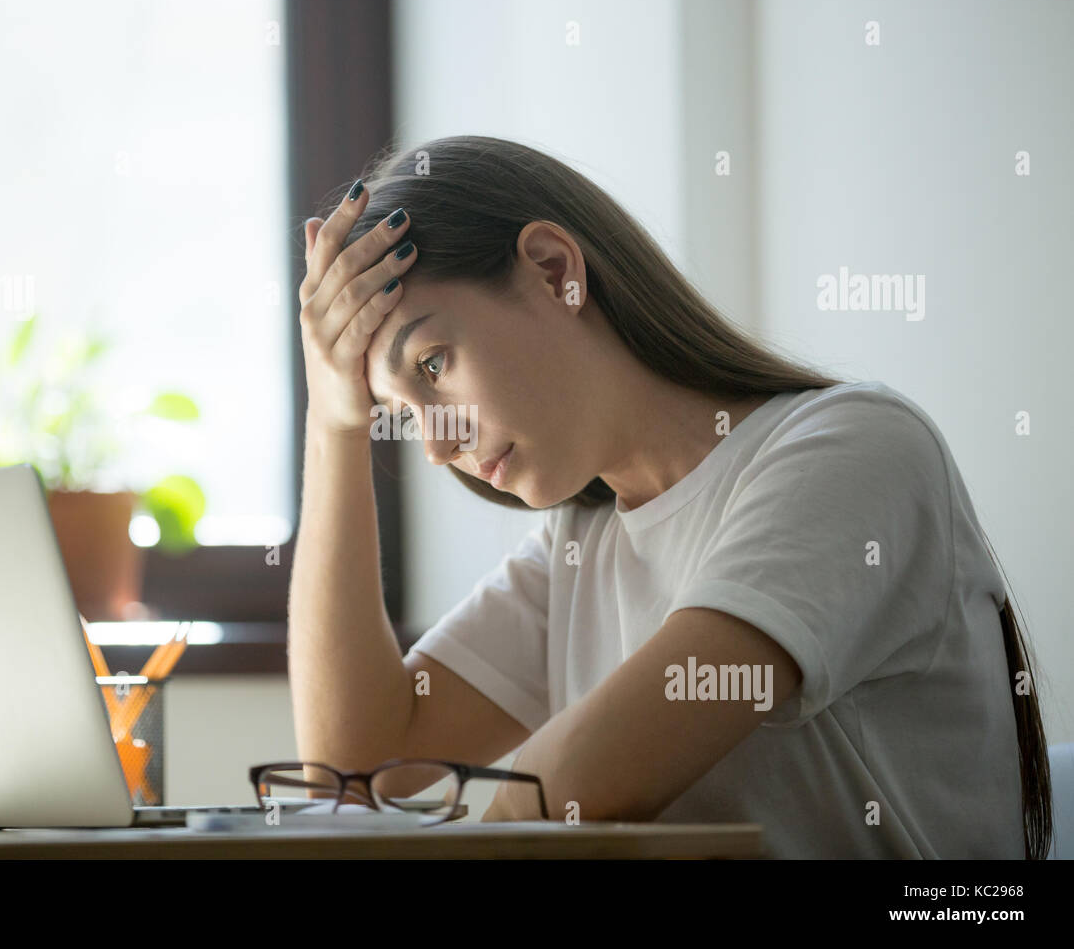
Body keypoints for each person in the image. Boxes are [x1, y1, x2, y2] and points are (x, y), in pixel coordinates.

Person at [287, 135, 1051, 859]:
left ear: (556, 272)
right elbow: (356, 768)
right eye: (400, 413)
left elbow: (582, 782)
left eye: (431, 365)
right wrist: (333, 421)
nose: (437, 444)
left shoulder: (855, 449)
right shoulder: (580, 542)